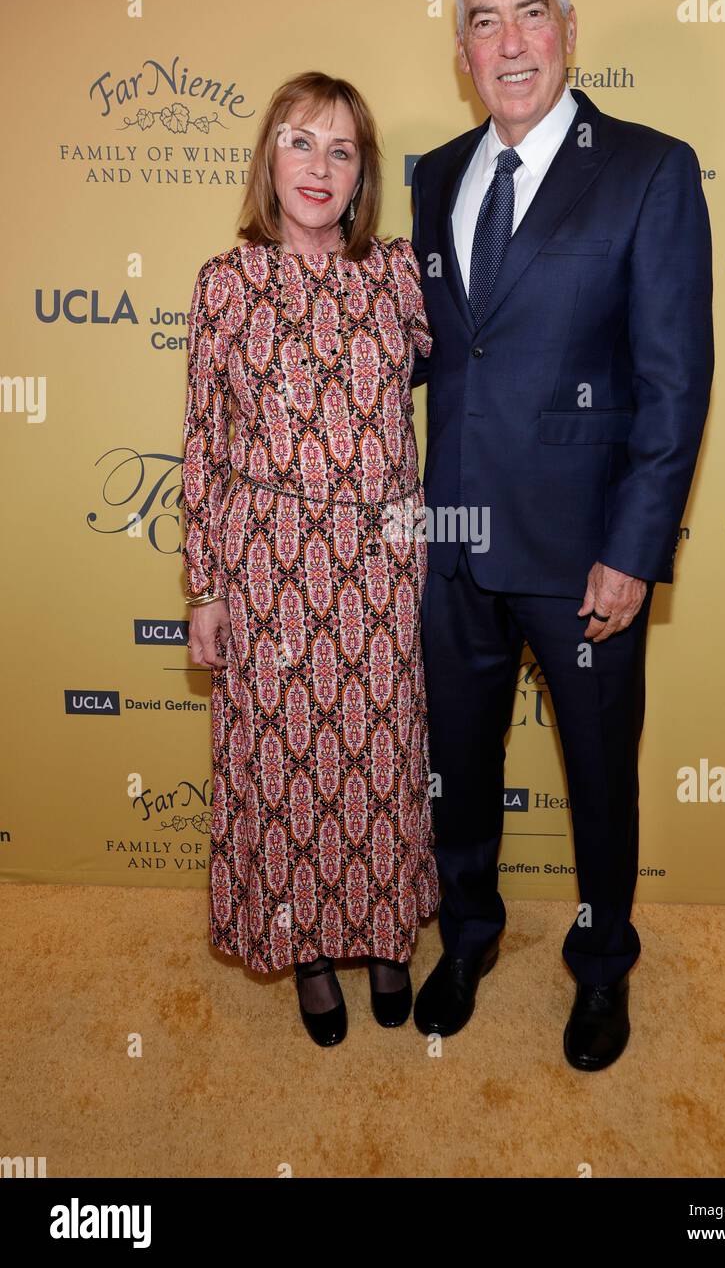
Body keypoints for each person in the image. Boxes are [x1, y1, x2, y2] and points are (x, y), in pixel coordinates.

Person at [409, 0, 714, 1070]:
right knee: (458, 764)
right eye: (483, 21)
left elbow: (674, 380)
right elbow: (436, 356)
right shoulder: (434, 174)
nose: (509, 41)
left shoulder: (647, 167)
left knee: (596, 774)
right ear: (461, 50)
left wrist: (632, 551)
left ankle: (600, 965)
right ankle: (468, 934)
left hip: (584, 553)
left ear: (568, 28)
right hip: (448, 546)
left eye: (528, 12)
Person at [180, 71, 438, 1047]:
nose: (318, 166)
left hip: (380, 563)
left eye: (341, 149)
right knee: (288, 768)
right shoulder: (226, 283)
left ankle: (383, 938)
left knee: (380, 759)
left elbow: (475, 370)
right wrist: (204, 583)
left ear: (363, 170)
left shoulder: (396, 275)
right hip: (270, 563)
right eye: (299, 142)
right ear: (268, 159)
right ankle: (311, 954)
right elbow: (204, 438)